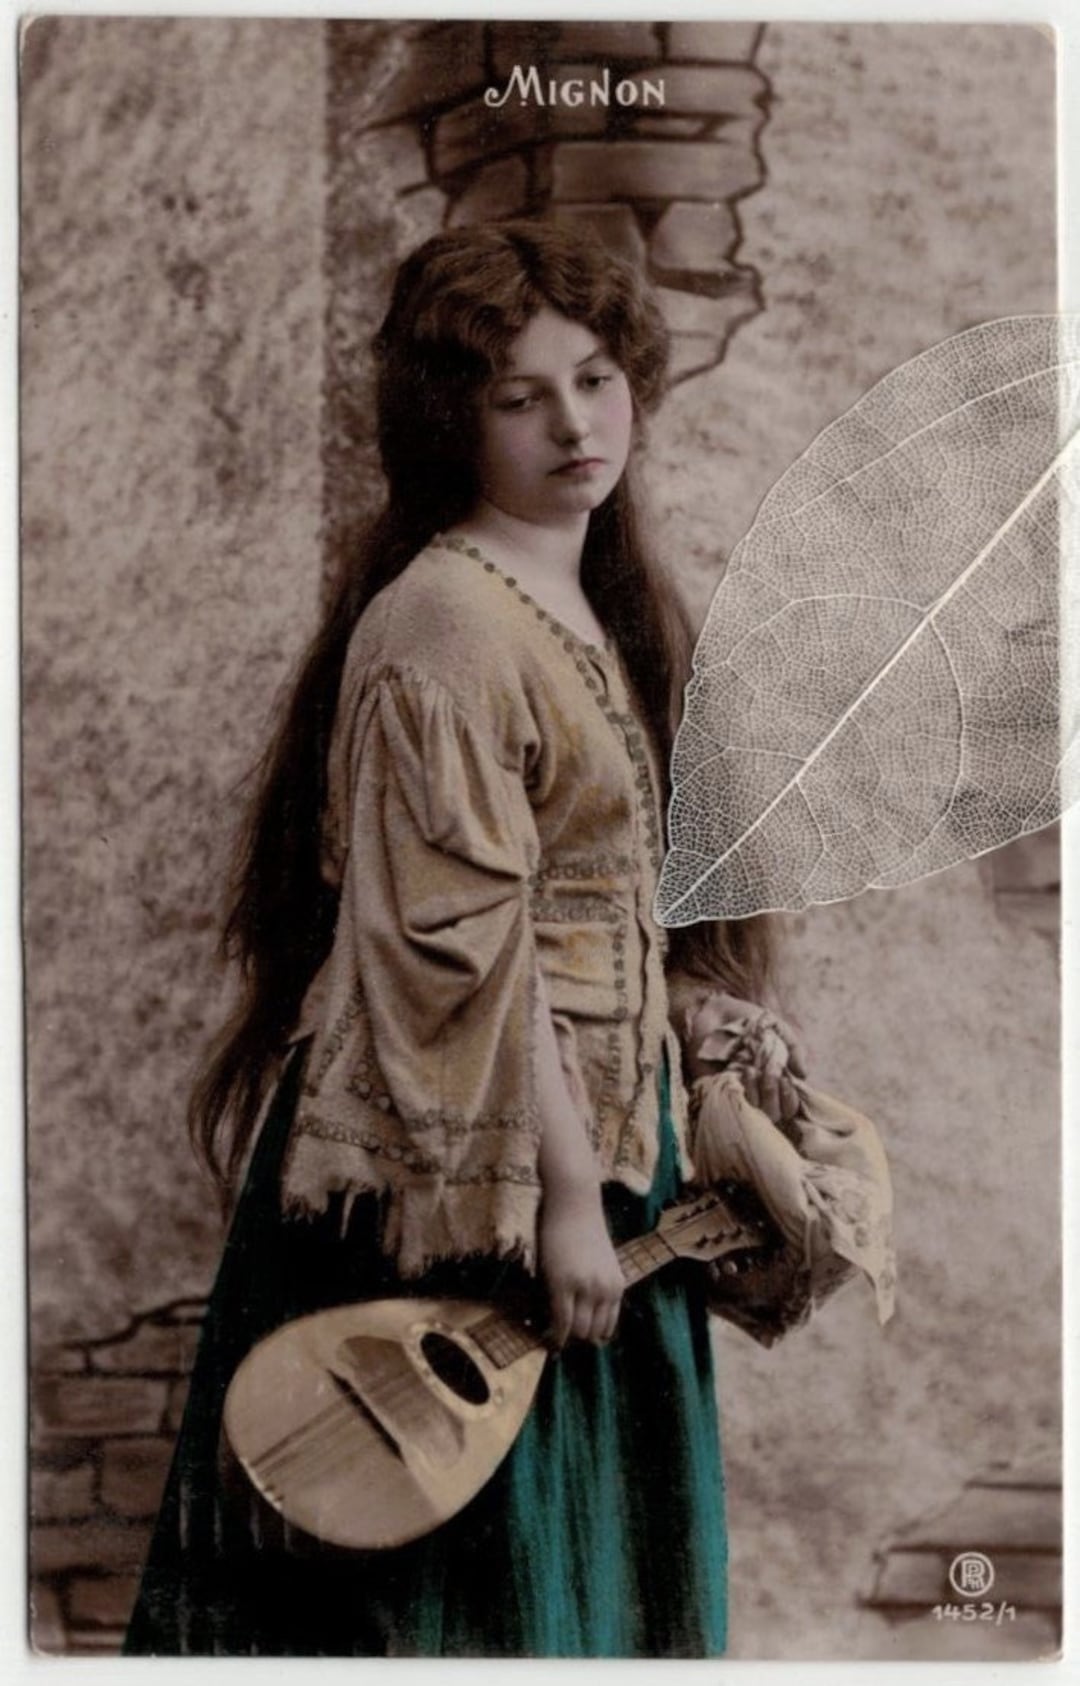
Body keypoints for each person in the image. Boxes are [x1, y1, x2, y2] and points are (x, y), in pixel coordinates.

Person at [124, 219, 789, 1658]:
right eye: (519, 396)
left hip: (589, 1136)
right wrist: (564, 1200)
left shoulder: (578, 599)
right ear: (454, 421)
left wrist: (696, 1018)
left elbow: (592, 903)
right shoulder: (442, 625)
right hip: (472, 1162)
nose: (575, 426)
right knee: (459, 1601)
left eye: (596, 379)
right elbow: (465, 948)